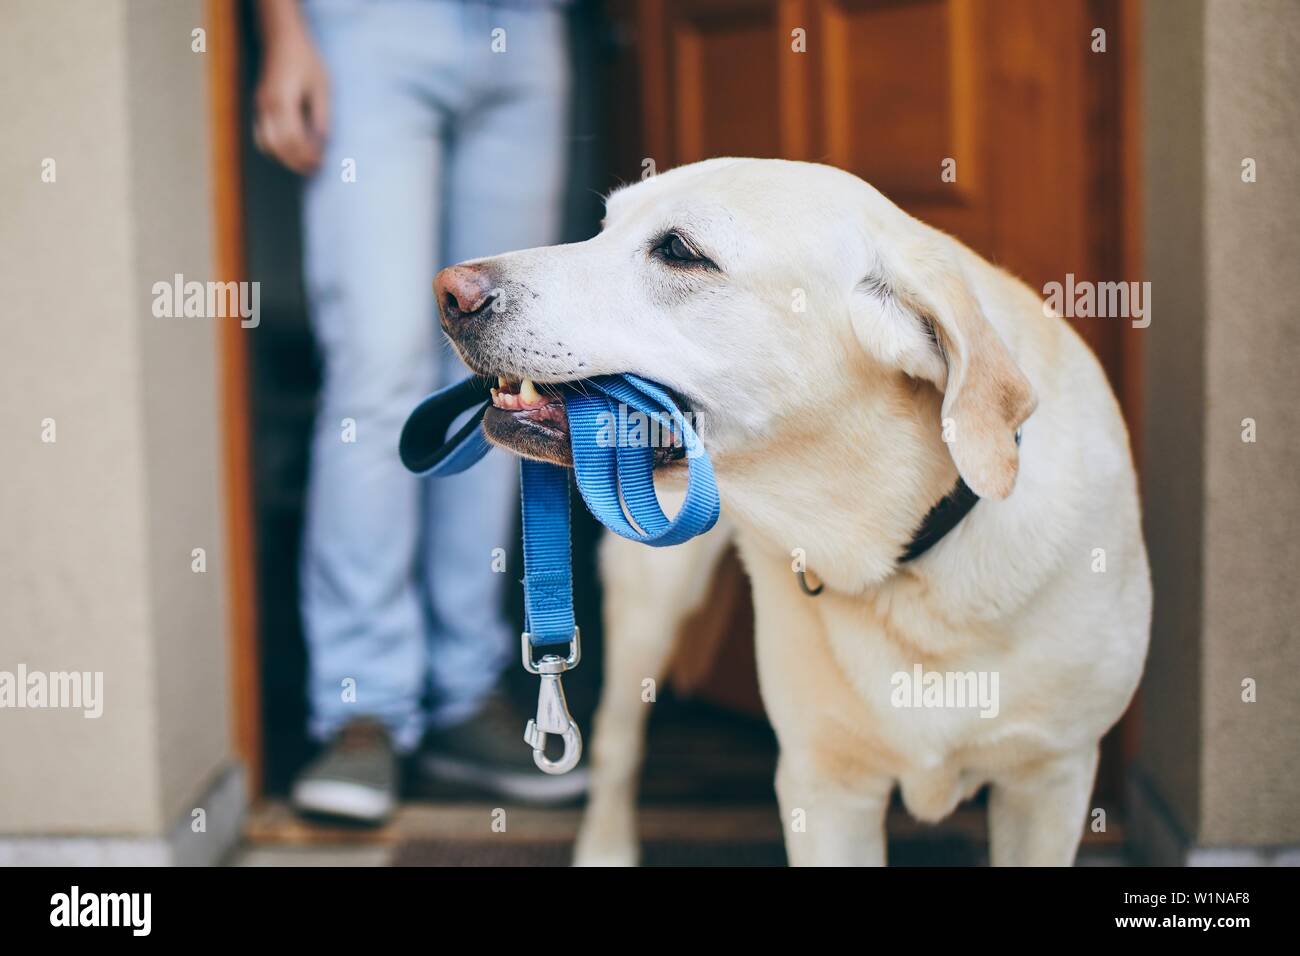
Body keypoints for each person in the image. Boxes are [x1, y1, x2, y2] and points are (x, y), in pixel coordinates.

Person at [253, 0, 580, 823]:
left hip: (528, 30)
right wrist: (283, 30)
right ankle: (361, 704)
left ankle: (463, 696)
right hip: (369, 26)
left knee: (501, 371)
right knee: (379, 372)